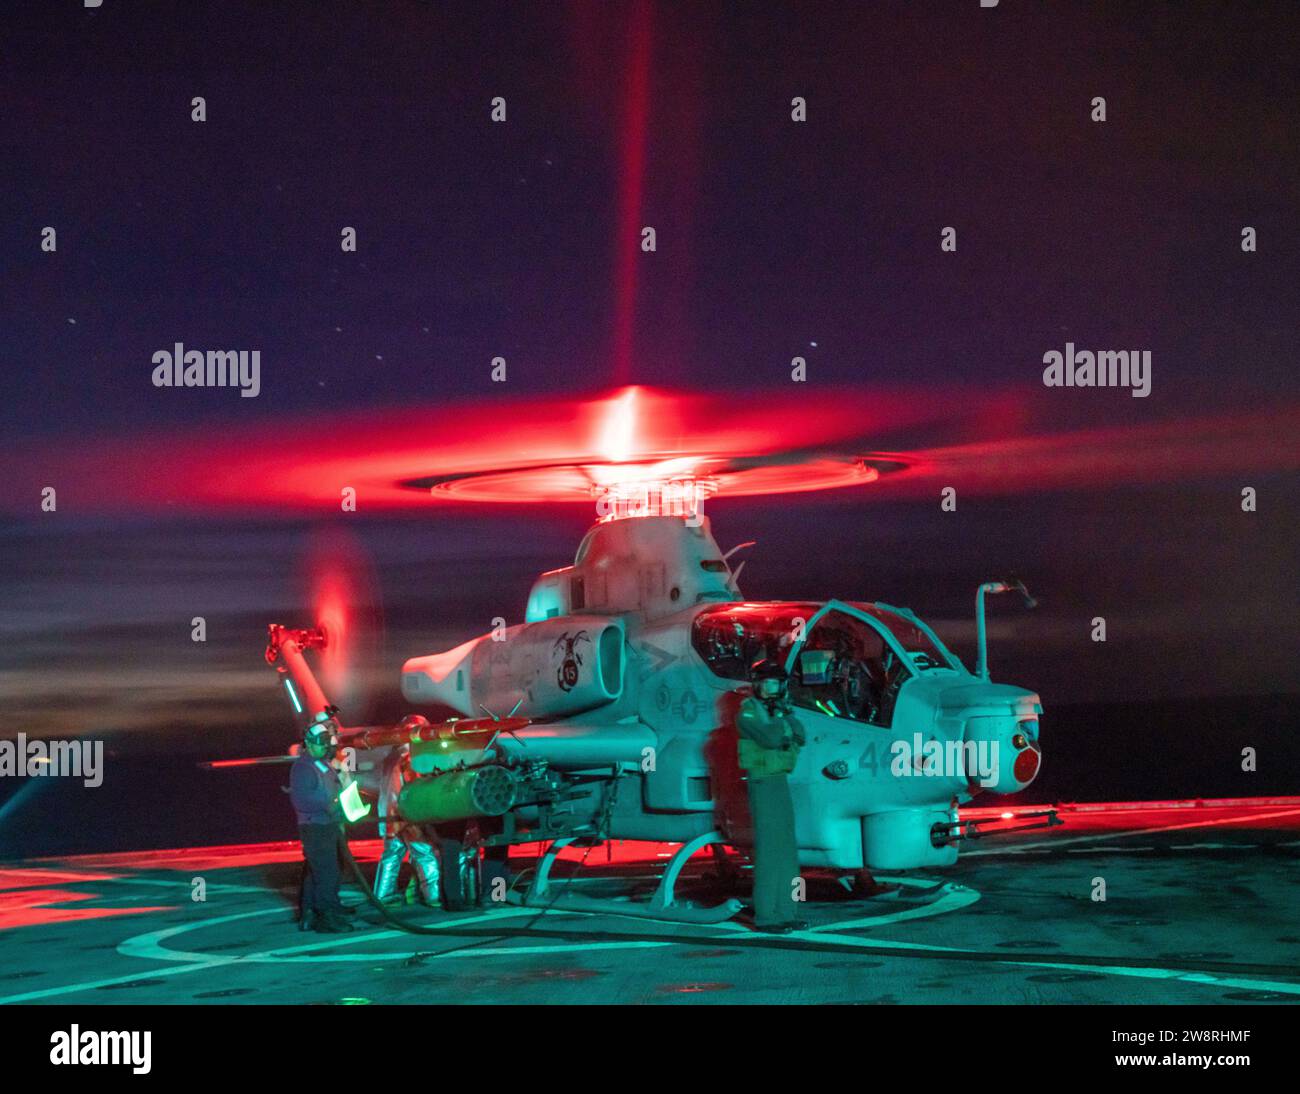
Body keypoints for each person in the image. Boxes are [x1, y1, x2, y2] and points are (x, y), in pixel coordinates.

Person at [736, 658, 807, 933]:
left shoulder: (780, 712)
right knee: (769, 850)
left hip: (778, 780)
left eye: (776, 683)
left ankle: (787, 911)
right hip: (761, 782)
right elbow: (769, 738)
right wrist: (783, 723)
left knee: (787, 849)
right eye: (766, 683)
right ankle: (766, 915)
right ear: (756, 685)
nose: (771, 688)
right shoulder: (747, 712)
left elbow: (801, 734)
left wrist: (784, 718)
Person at [289, 715, 355, 933]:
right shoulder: (303, 768)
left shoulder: (322, 765)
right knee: (326, 872)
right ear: (308, 744)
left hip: (328, 824)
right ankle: (325, 918)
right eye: (320, 743)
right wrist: (332, 803)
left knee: (322, 871)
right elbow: (302, 800)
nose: (324, 747)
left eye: (326, 743)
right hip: (316, 826)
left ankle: (317, 911)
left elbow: (333, 787)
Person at [374, 744, 441, 907]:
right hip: (407, 815)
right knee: (425, 853)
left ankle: (382, 895)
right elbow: (416, 787)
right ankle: (433, 895)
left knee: (391, 856)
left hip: (388, 815)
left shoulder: (389, 758)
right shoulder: (411, 758)